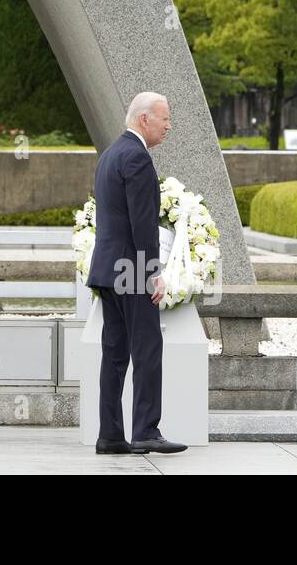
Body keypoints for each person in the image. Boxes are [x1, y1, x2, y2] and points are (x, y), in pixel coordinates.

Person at [86, 91, 186, 455]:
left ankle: (110, 434)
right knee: (147, 347)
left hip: (107, 270)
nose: (169, 125)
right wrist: (153, 273)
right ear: (144, 119)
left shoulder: (111, 155)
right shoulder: (138, 158)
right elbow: (142, 224)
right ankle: (145, 429)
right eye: (165, 118)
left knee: (114, 353)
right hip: (131, 270)